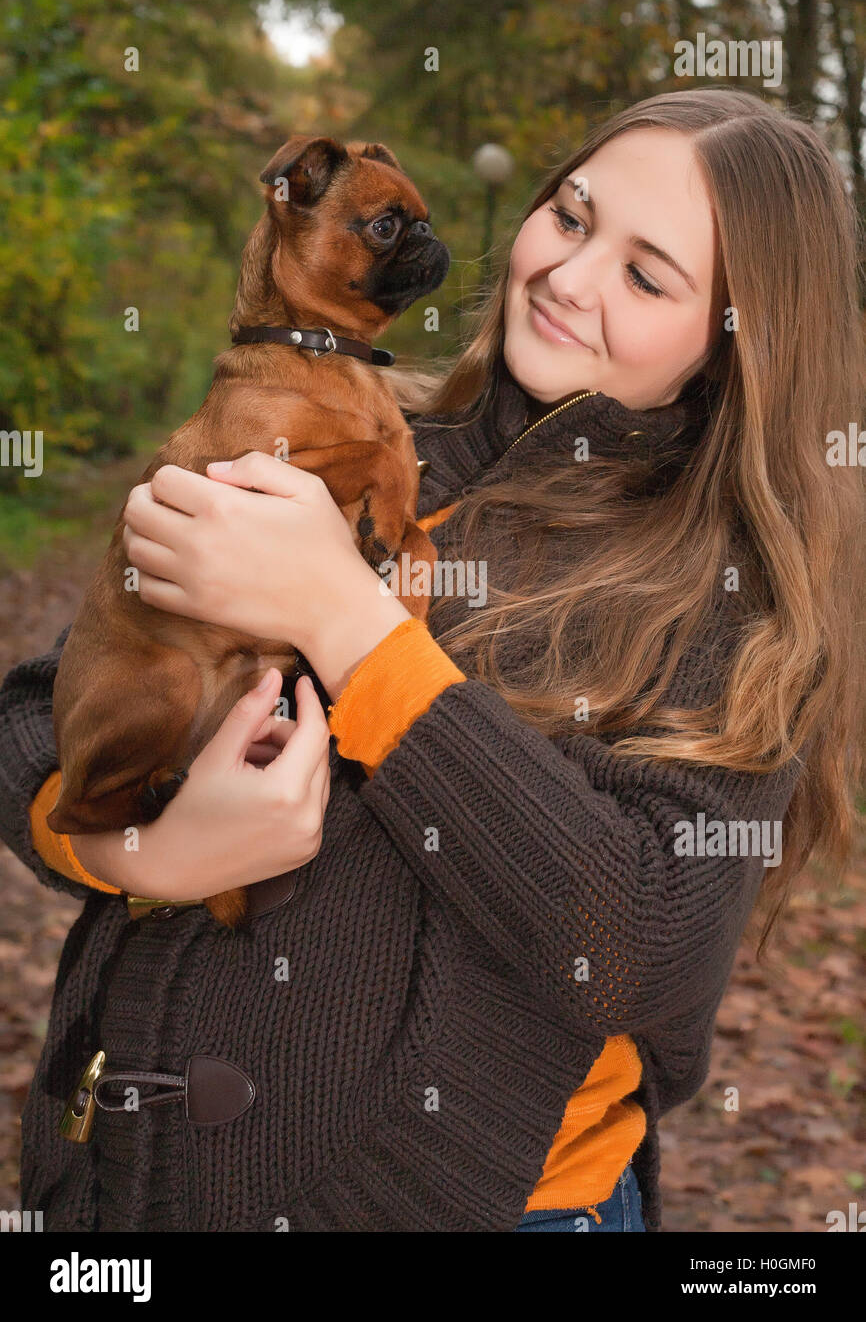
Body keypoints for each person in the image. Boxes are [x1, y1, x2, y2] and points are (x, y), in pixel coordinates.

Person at [1, 87, 862, 1233]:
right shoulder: (341, 425)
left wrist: (348, 622)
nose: (567, 275)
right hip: (110, 1194)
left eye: (647, 276)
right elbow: (30, 720)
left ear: (735, 345)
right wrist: (145, 849)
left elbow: (639, 949)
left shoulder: (724, 597)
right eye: (570, 215)